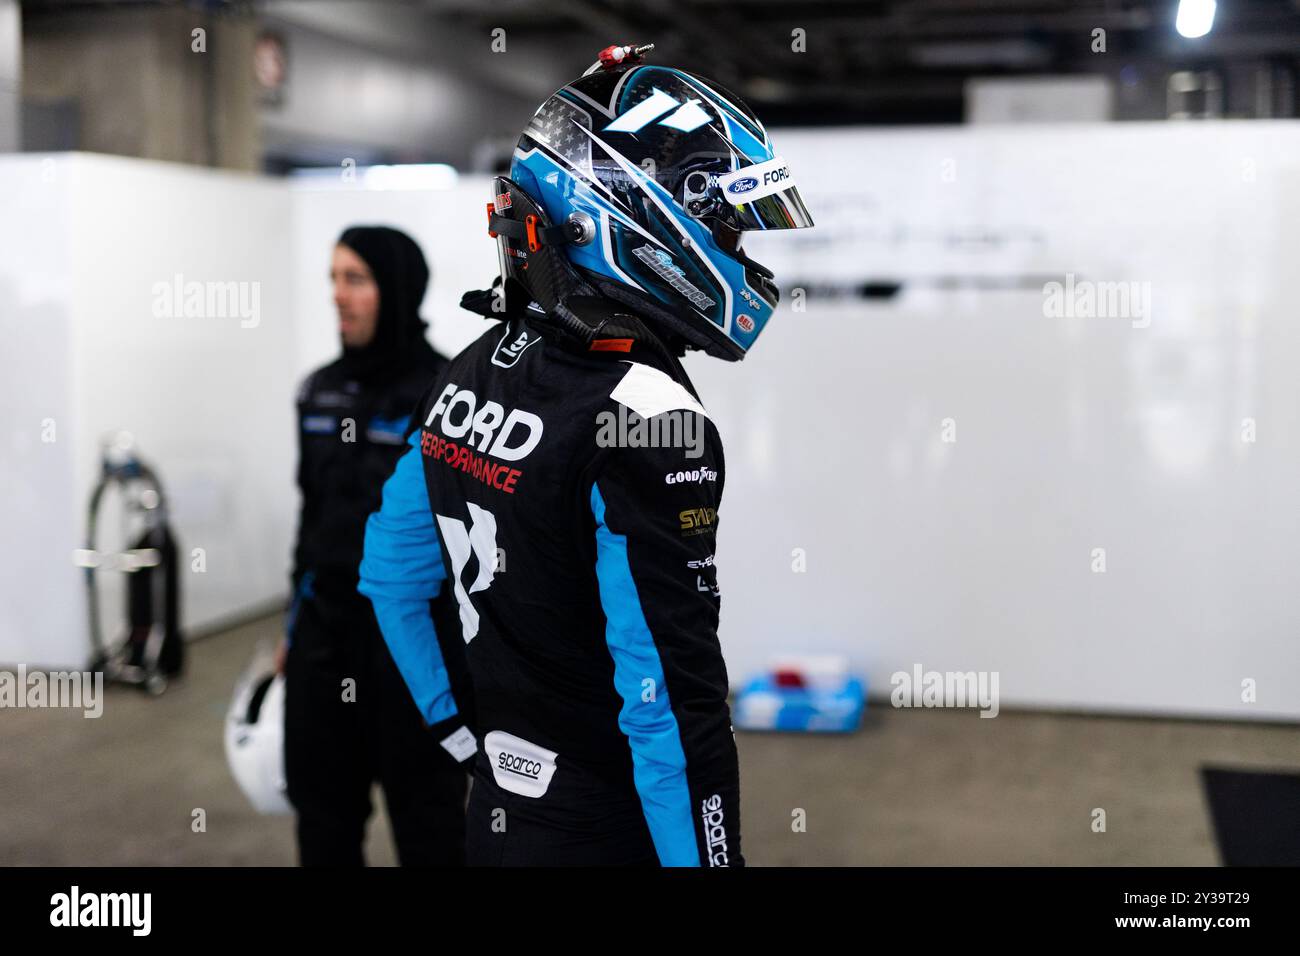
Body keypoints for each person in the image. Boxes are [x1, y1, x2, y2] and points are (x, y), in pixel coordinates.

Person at [359, 44, 813, 866]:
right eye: (725, 227)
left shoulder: (465, 370)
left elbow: (390, 573)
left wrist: (464, 740)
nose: (742, 254)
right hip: (605, 831)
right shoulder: (647, 414)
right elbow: (669, 706)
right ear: (630, 215)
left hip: (498, 816)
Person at [282, 225, 473, 866]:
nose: (338, 295)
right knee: (322, 818)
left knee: (430, 825)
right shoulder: (316, 391)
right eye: (333, 278)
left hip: (410, 641)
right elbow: (309, 522)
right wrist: (291, 631)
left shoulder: (447, 393)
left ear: (395, 289)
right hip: (323, 636)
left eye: (355, 279)